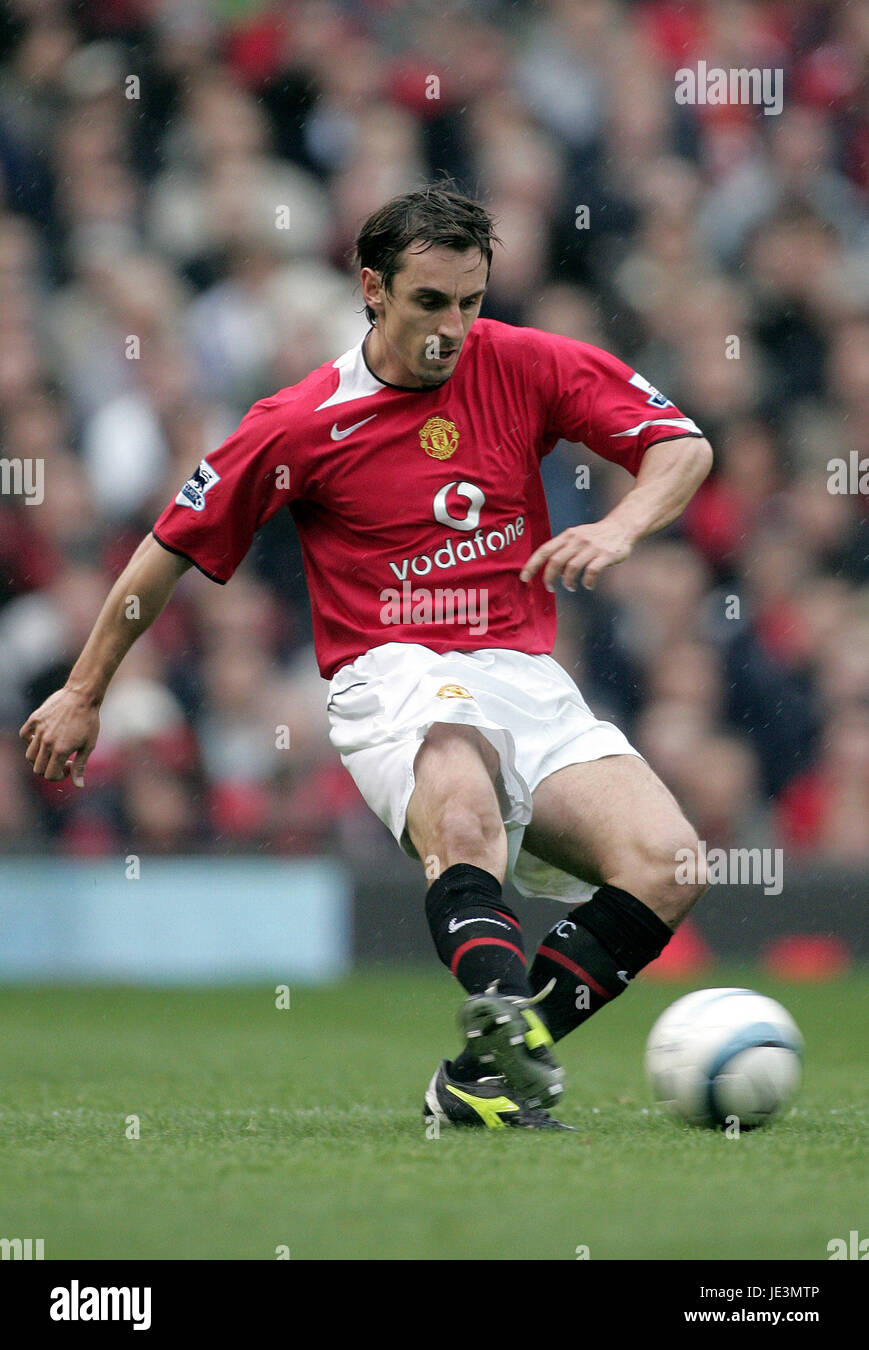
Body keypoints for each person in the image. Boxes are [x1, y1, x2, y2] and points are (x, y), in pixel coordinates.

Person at [21, 182, 713, 1131]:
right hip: (392, 673)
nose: (453, 329)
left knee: (669, 861)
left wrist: (623, 525)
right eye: (430, 302)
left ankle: (491, 1068)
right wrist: (84, 689)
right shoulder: (299, 420)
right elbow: (167, 547)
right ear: (373, 290)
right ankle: (503, 1042)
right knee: (461, 812)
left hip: (522, 673)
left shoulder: (523, 362)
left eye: (470, 302)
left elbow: (680, 444)